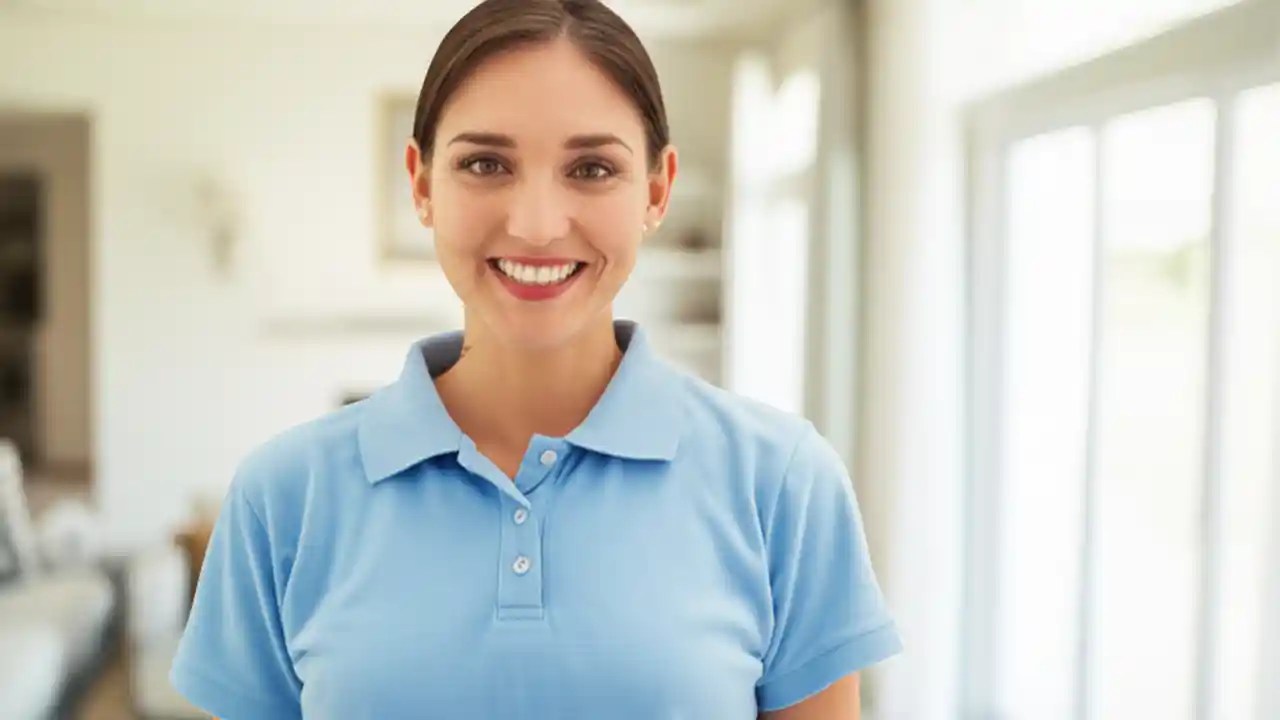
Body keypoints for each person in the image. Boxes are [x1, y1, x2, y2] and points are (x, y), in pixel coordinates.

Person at [168, 0, 902, 717]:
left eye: (591, 169)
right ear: (422, 184)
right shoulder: (282, 498)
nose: (537, 225)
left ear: (657, 188)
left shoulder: (783, 486)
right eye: (486, 163)